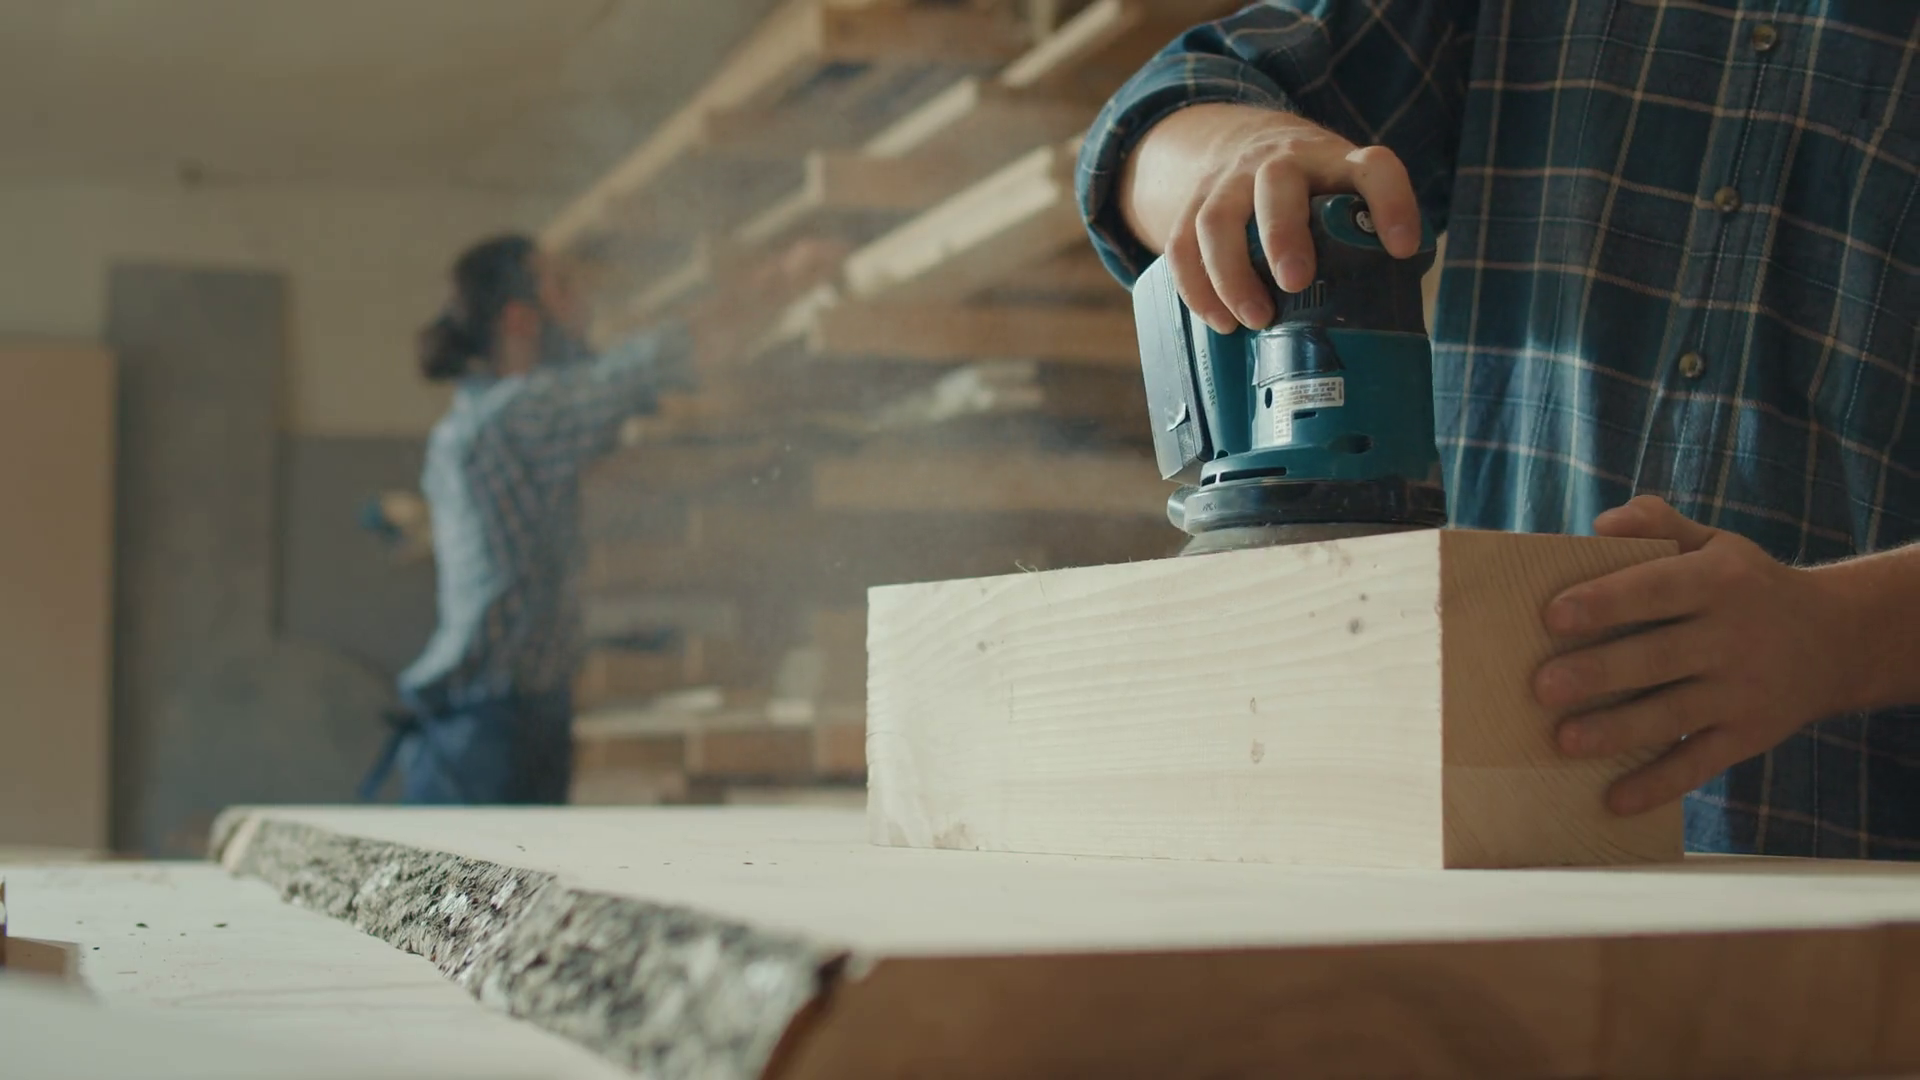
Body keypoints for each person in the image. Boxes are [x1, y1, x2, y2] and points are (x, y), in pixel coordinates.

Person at [1081, 3, 1920, 857]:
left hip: (1862, 861)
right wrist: (1238, 156)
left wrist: (1840, 632)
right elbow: (1154, 117)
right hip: (1491, 830)